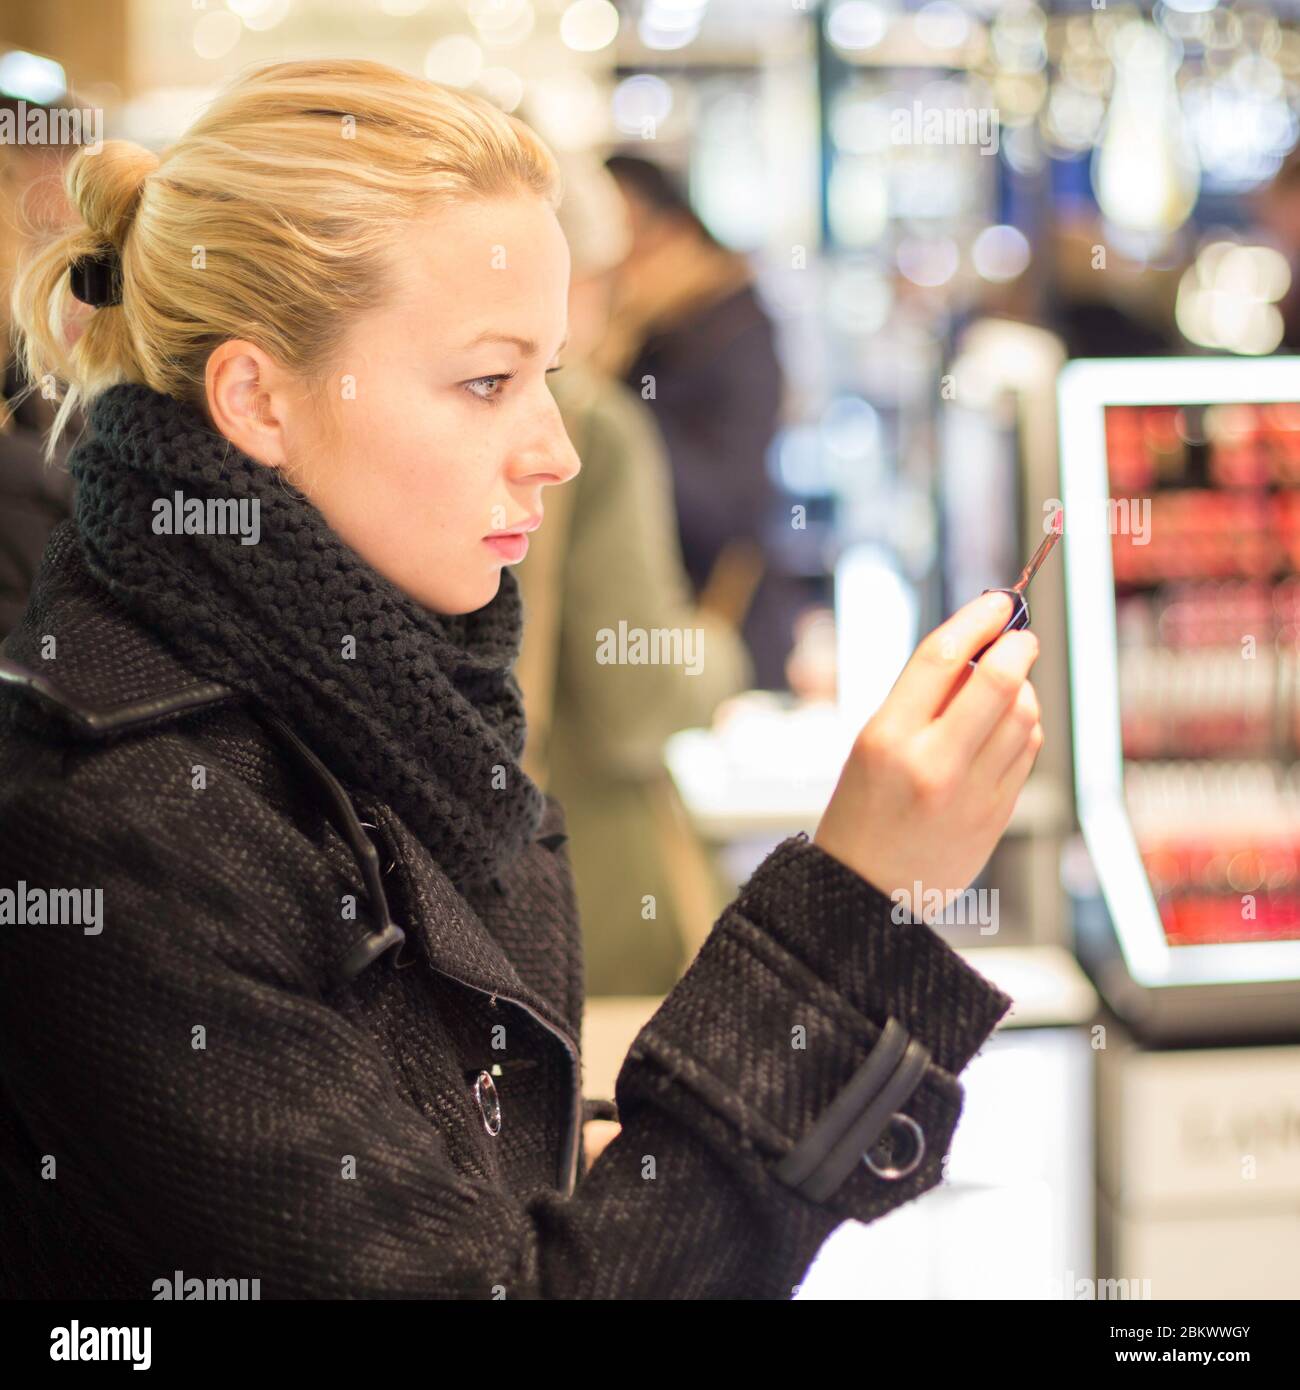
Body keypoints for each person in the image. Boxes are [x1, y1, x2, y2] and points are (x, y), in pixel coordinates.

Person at [0, 59, 1039, 1299]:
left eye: (551, 374)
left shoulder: (404, 713)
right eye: (487, 382)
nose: (549, 450)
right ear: (256, 399)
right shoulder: (115, 820)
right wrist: (857, 896)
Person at [513, 146, 753, 998]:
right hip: (593, 885)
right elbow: (638, 696)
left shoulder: (427, 407)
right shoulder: (589, 423)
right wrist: (720, 655)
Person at [599, 154, 804, 691]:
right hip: (654, 632)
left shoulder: (735, 327)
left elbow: (727, 504)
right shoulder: (652, 331)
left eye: (628, 246)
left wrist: (613, 391)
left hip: (721, 634)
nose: (618, 271)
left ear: (677, 232)